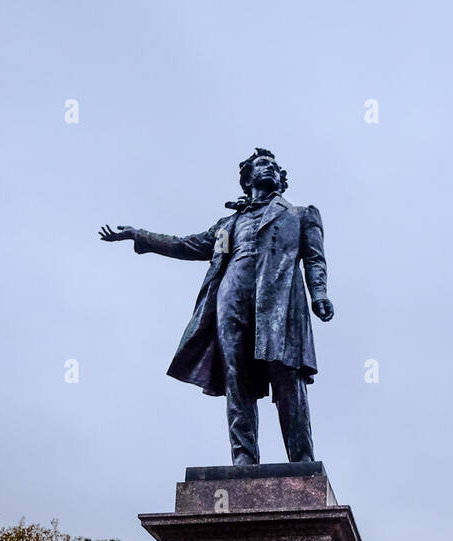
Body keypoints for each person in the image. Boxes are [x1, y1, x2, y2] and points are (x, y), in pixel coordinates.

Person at [99, 148, 333, 465]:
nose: (270, 169)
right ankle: (244, 460)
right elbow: (186, 245)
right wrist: (139, 236)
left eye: (275, 166)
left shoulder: (301, 215)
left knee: (288, 377)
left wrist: (319, 293)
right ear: (247, 178)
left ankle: (303, 463)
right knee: (238, 379)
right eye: (262, 164)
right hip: (231, 299)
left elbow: (315, 259)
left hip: (281, 301)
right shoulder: (227, 225)